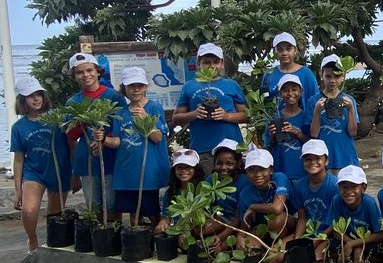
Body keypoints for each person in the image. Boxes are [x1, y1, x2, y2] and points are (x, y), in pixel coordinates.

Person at [10, 77, 71, 252]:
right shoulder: (19, 127)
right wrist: (18, 189)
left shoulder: (58, 118)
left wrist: (75, 173)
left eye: (39, 94)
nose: (36, 99)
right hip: (34, 172)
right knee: (29, 210)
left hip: (60, 171)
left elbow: (72, 145)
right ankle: (32, 240)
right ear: (23, 100)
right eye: (30, 96)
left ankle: (53, 244)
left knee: (54, 215)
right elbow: (19, 158)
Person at [102, 67, 168, 228]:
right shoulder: (120, 112)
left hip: (148, 171)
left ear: (145, 87)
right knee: (133, 212)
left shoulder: (153, 108)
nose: (136, 89)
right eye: (131, 86)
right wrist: (103, 139)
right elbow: (117, 141)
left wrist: (145, 118)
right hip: (126, 170)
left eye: (139, 85)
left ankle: (155, 239)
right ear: (124, 88)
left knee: (151, 211)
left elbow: (158, 138)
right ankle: (137, 239)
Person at [65, 52, 126, 220]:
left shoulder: (114, 97)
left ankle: (113, 240)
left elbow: (121, 126)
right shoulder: (73, 102)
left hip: (111, 157)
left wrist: (104, 141)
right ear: (74, 76)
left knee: (113, 205)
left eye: (89, 70)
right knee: (94, 205)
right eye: (80, 72)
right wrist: (84, 120)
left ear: (98, 71)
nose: (85, 75)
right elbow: (71, 133)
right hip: (87, 161)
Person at [171, 43, 248, 175]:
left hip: (231, 149)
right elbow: (176, 118)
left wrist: (226, 116)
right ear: (198, 63)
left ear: (222, 63)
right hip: (203, 149)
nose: (211, 66)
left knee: (235, 188)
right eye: (206, 62)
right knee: (207, 188)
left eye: (215, 62)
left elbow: (247, 116)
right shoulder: (189, 86)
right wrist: (195, 114)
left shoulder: (231, 85)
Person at [320, 165, 383, 263]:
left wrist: (355, 244)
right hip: (346, 240)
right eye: (344, 187)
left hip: (367, 241)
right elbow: (336, 231)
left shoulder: (369, 203)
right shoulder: (337, 200)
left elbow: (379, 235)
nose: (349, 191)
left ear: (363, 188)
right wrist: (351, 243)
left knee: (377, 252)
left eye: (354, 186)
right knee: (331, 247)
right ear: (339, 188)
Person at [306, 54, 359, 170]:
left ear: (342, 77)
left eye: (337, 76)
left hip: (347, 158)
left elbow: (353, 132)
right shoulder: (314, 101)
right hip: (323, 161)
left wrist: (350, 109)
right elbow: (314, 134)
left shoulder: (349, 100)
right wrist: (317, 111)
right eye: (328, 76)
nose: (332, 80)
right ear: (321, 76)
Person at [235, 149, 293, 246]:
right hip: (262, 227)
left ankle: (278, 247)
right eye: (251, 170)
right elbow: (244, 225)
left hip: (288, 222)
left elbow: (277, 208)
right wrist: (240, 237)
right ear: (246, 173)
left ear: (271, 170)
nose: (257, 174)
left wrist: (253, 206)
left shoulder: (279, 178)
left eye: (262, 169)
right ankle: (264, 249)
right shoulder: (245, 194)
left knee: (276, 219)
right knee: (246, 246)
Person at [200, 138, 247, 251]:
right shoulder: (211, 179)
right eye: (219, 163)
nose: (224, 167)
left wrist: (221, 237)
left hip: (239, 225)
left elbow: (238, 219)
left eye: (229, 163)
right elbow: (201, 205)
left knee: (218, 248)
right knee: (203, 231)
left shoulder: (244, 183)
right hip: (218, 219)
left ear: (238, 163)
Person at [265, 74, 311, 181]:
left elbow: (312, 143)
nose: (290, 93)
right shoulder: (273, 118)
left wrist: (297, 133)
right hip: (280, 172)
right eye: (285, 90)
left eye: (294, 89)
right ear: (280, 94)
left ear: (301, 91)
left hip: (302, 173)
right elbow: (269, 147)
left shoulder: (307, 116)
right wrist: (272, 136)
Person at [155, 149, 205, 245]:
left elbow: (202, 219)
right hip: (177, 231)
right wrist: (162, 224)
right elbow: (166, 216)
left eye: (188, 167)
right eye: (179, 167)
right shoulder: (170, 192)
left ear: (196, 169)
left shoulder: (202, 191)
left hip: (198, 231)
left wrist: (187, 231)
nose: (183, 171)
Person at [291, 140, 339, 238]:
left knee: (315, 253)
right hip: (309, 233)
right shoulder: (299, 185)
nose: (313, 162)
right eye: (308, 159)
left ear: (326, 161)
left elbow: (337, 220)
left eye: (317, 158)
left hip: (328, 234)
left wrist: (319, 239)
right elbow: (302, 218)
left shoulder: (334, 185)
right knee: (279, 251)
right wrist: (297, 240)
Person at [261, 32, 320, 107]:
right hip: (274, 118)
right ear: (275, 51)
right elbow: (264, 100)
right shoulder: (269, 74)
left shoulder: (306, 74)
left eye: (288, 49)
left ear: (295, 50)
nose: (284, 53)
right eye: (280, 50)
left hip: (302, 118)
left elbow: (315, 101)